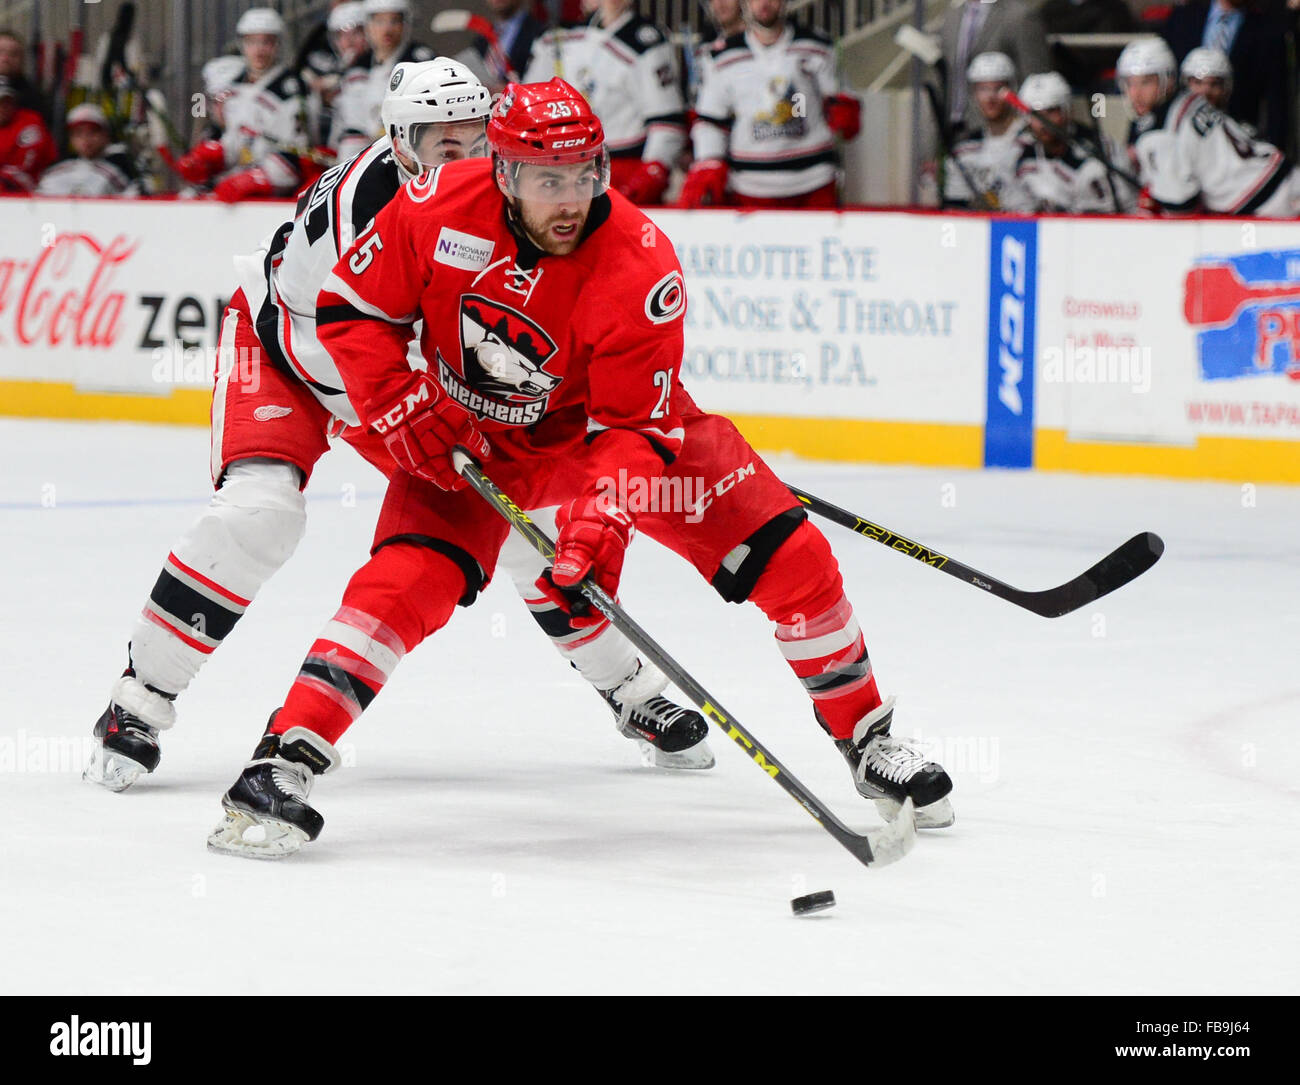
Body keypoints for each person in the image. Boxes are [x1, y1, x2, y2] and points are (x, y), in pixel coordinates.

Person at [206, 77, 954, 859]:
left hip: (605, 435)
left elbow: (636, 426)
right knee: (402, 582)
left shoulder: (639, 262)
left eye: (586, 173)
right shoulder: (430, 206)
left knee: (789, 554)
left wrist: (603, 512)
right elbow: (353, 310)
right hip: (478, 437)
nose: (572, 198)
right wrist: (395, 400)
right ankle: (282, 760)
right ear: (502, 173)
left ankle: (868, 740)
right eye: (547, 179)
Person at [85, 61, 709, 802]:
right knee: (259, 514)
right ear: (399, 141)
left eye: (476, 135)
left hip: (391, 383)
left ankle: (630, 688)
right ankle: (137, 702)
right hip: (286, 357)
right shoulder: (378, 209)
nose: (464, 152)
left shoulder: (489, 198)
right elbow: (383, 339)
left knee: (522, 518)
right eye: (442, 140)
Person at [679, 0, 859, 209]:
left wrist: (845, 109)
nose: (764, 3)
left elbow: (841, 97)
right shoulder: (722, 57)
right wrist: (709, 161)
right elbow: (709, 121)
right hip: (749, 186)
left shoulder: (816, 46)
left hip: (814, 181)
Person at [523, 0, 685, 206]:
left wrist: (654, 169)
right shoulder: (560, 39)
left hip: (625, 172)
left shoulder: (645, 40)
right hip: (567, 172)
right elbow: (530, 105)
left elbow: (667, 121)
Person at [1118, 36, 1299, 217]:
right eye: (1129, 83)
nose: (1136, 93)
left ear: (1169, 80)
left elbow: (1180, 207)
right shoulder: (1190, 102)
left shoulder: (1161, 133)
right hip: (1287, 179)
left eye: (1146, 82)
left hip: (1271, 205)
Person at [172, 8, 307, 202]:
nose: (259, 50)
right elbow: (238, 141)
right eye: (252, 42)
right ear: (242, 44)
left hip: (276, 194)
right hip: (242, 183)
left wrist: (255, 179)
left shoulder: (291, 88)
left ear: (277, 44)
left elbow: (294, 157)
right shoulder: (236, 87)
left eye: (266, 42)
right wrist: (213, 157)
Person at [1160, 0, 1291, 151]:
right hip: (1180, 135)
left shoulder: (1269, 30)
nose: (1206, 90)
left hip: (1237, 143)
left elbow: (1277, 99)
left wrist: (1275, 152)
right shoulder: (1182, 17)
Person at [332, 0, 436, 161]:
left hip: (413, 153)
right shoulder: (357, 68)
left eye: (394, 21)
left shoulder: (421, 61)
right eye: (379, 21)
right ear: (367, 25)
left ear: (405, 25)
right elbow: (353, 126)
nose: (387, 30)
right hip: (367, 156)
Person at [1012, 71, 1128, 213]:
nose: (1043, 123)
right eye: (1036, 114)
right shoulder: (1021, 152)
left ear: (1067, 110)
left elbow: (1121, 208)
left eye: (1051, 111)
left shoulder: (1099, 149)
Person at [940, 0, 1051, 137]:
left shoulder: (1020, 15)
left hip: (1005, 131)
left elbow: (1037, 79)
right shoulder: (953, 14)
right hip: (954, 127)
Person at [941, 53, 1032, 212]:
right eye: (983, 89)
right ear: (973, 94)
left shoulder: (1032, 142)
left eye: (998, 89)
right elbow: (954, 209)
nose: (990, 97)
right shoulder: (964, 151)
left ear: (1013, 91)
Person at [300, 1, 369, 148]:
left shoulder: (379, 69)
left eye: (356, 33)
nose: (349, 41)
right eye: (341, 35)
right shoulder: (329, 69)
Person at [35, 103, 137, 197]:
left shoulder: (119, 170)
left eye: (92, 132)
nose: (86, 139)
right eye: (78, 133)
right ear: (71, 138)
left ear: (106, 135)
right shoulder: (55, 172)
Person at [0, 75, 55, 194]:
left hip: (29, 188)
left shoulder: (30, 121)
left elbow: (24, 167)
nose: (3, 107)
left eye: (7, 101)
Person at [0, 29, 46, 118]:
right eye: (0, 52)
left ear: (22, 60)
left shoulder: (33, 98)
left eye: (13, 54)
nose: (5, 58)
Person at [1179, 46, 1234, 114]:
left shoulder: (1233, 124)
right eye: (1198, 82)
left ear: (1225, 89)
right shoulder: (1171, 120)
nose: (1206, 91)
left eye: (1215, 84)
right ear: (1186, 84)